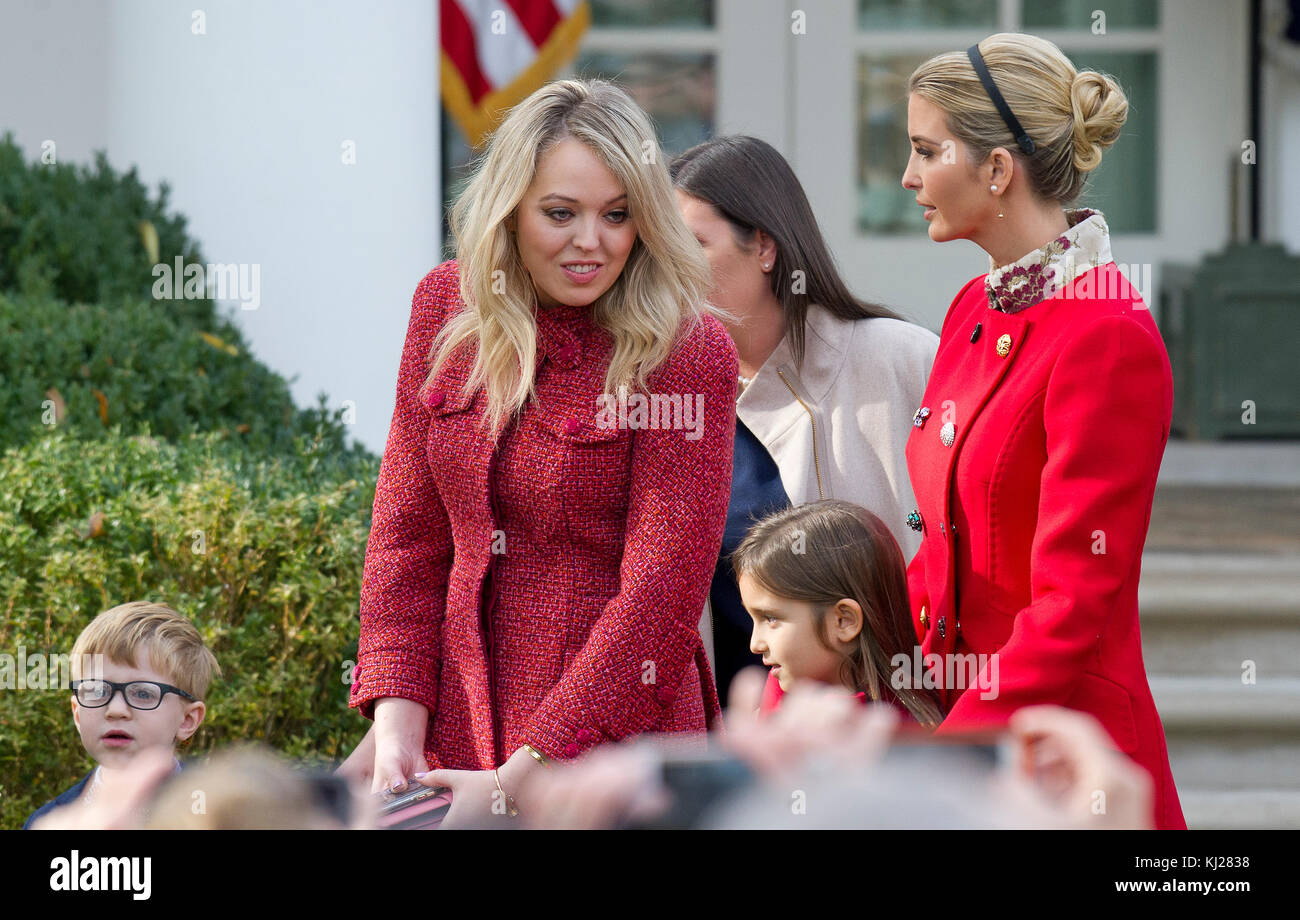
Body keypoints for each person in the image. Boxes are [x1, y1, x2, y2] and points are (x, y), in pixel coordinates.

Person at [345, 78, 738, 827]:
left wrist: (523, 776)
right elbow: (406, 536)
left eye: (618, 215)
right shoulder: (444, 305)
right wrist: (396, 719)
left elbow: (660, 598)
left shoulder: (688, 351)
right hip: (453, 733)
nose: (591, 241)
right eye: (561, 213)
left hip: (613, 754)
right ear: (510, 209)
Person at [900, 32, 1185, 829]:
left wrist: (947, 759)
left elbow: (1073, 601)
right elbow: (944, 547)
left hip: (1063, 757)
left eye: (928, 151)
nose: (909, 177)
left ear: (996, 169)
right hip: (964, 726)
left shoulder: (1108, 331)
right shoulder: (971, 307)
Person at [670, 136, 939, 706]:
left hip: (883, 738)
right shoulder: (661, 398)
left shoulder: (900, 361)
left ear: (764, 247)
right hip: (739, 742)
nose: (668, 271)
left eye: (691, 245)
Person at [729, 500, 943, 725]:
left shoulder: (897, 734)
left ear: (844, 620)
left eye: (771, 618)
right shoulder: (774, 702)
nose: (755, 644)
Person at [24, 600, 218, 829]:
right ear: (77, 714)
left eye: (143, 693)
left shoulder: (220, 814)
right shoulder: (49, 823)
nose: (116, 710)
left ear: (187, 720)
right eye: (96, 690)